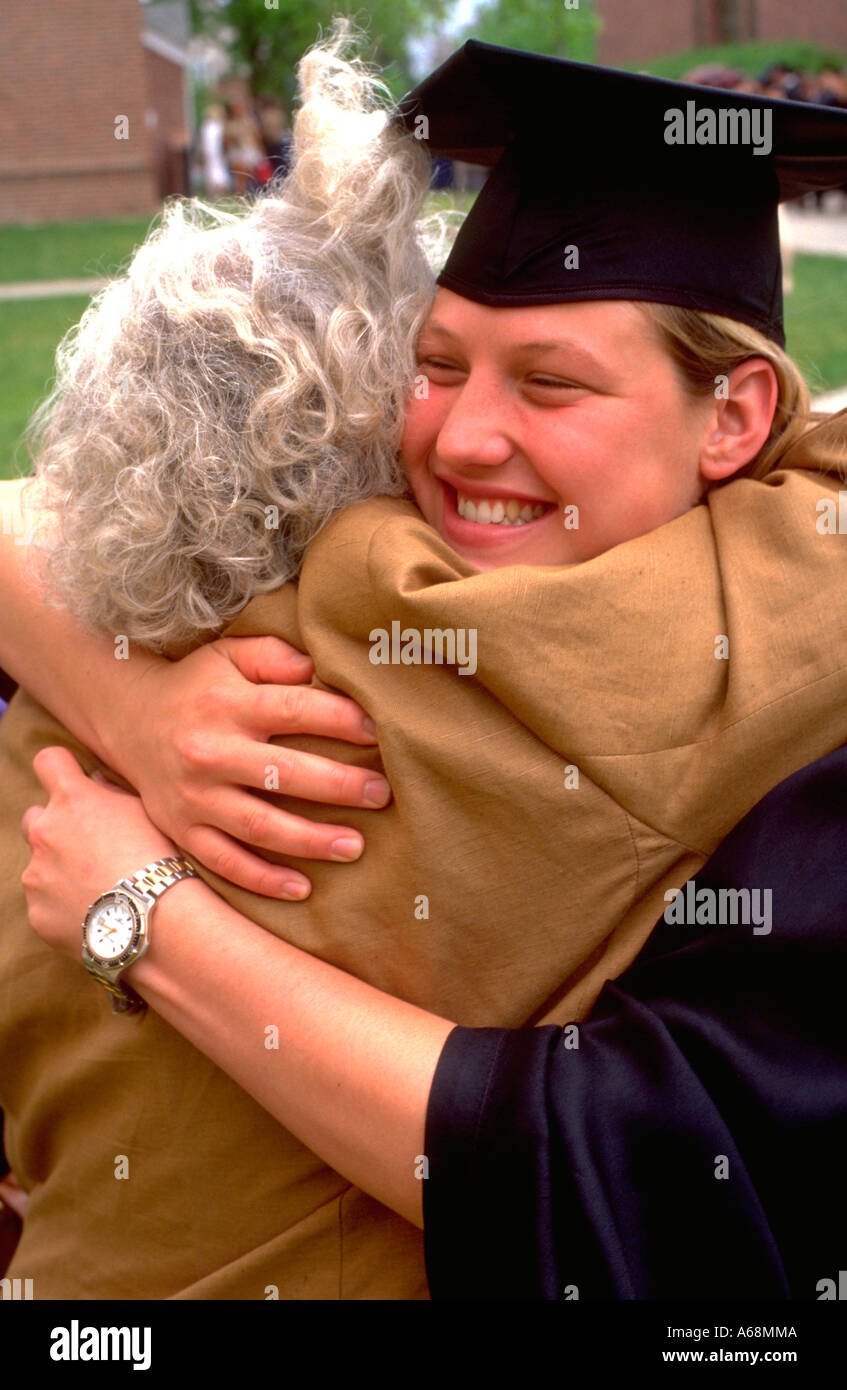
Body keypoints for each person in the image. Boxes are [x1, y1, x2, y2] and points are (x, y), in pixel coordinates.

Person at [3, 37, 847, 1302]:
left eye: (551, 384)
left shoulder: (218, 587)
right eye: (435, 366)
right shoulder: (764, 609)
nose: (460, 435)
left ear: (731, 418)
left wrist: (130, 789)